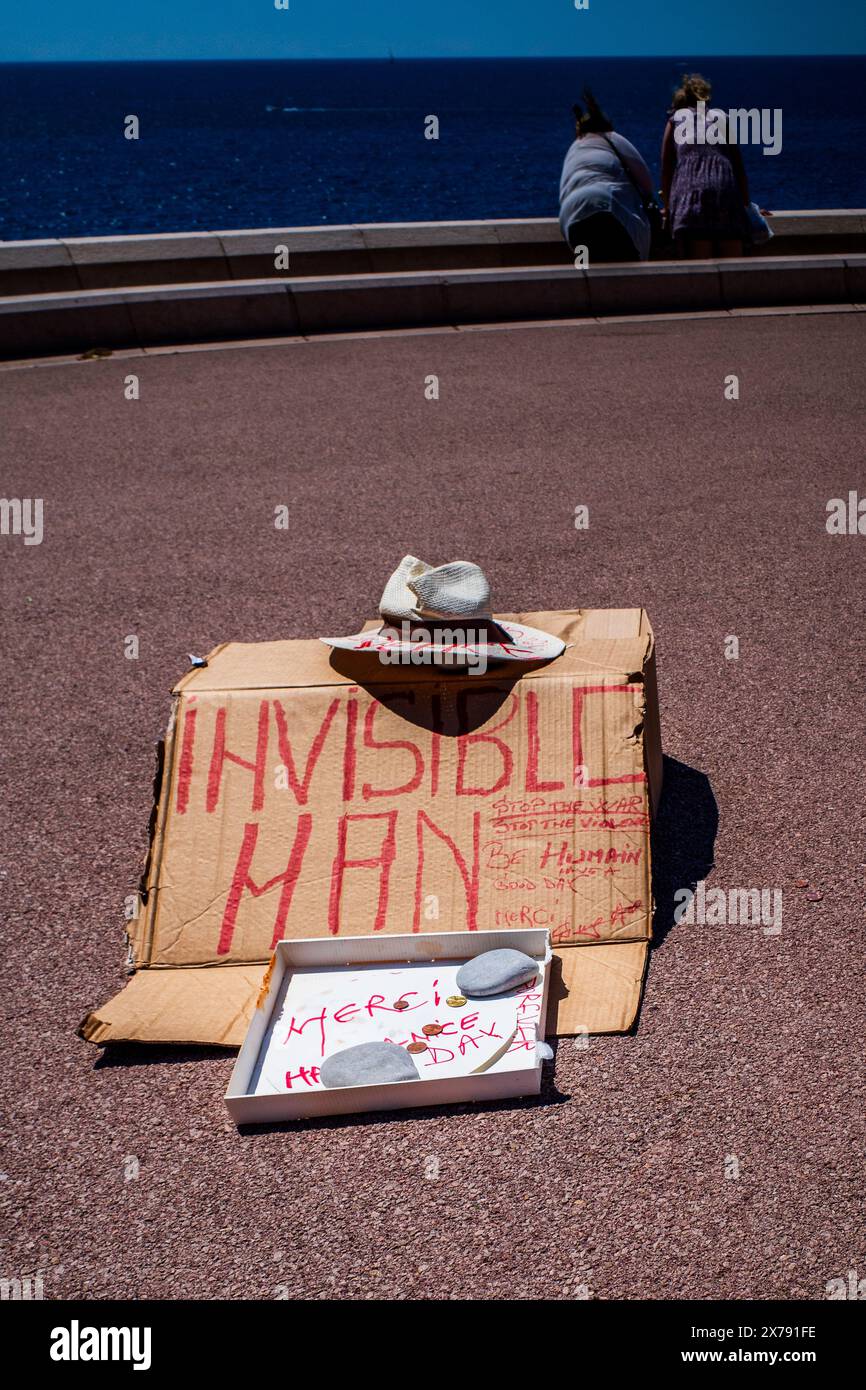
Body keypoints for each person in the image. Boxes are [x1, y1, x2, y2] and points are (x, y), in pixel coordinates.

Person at [559, 89, 655, 263]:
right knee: (627, 269)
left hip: (572, 218)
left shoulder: (574, 148)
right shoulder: (612, 138)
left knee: (589, 270)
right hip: (605, 207)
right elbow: (647, 184)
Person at [661, 73, 750, 258]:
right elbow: (738, 165)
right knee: (734, 264)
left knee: (701, 265)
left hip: (691, 192)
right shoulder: (721, 117)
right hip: (725, 190)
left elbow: (667, 167)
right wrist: (747, 204)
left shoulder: (676, 119)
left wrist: (668, 207)